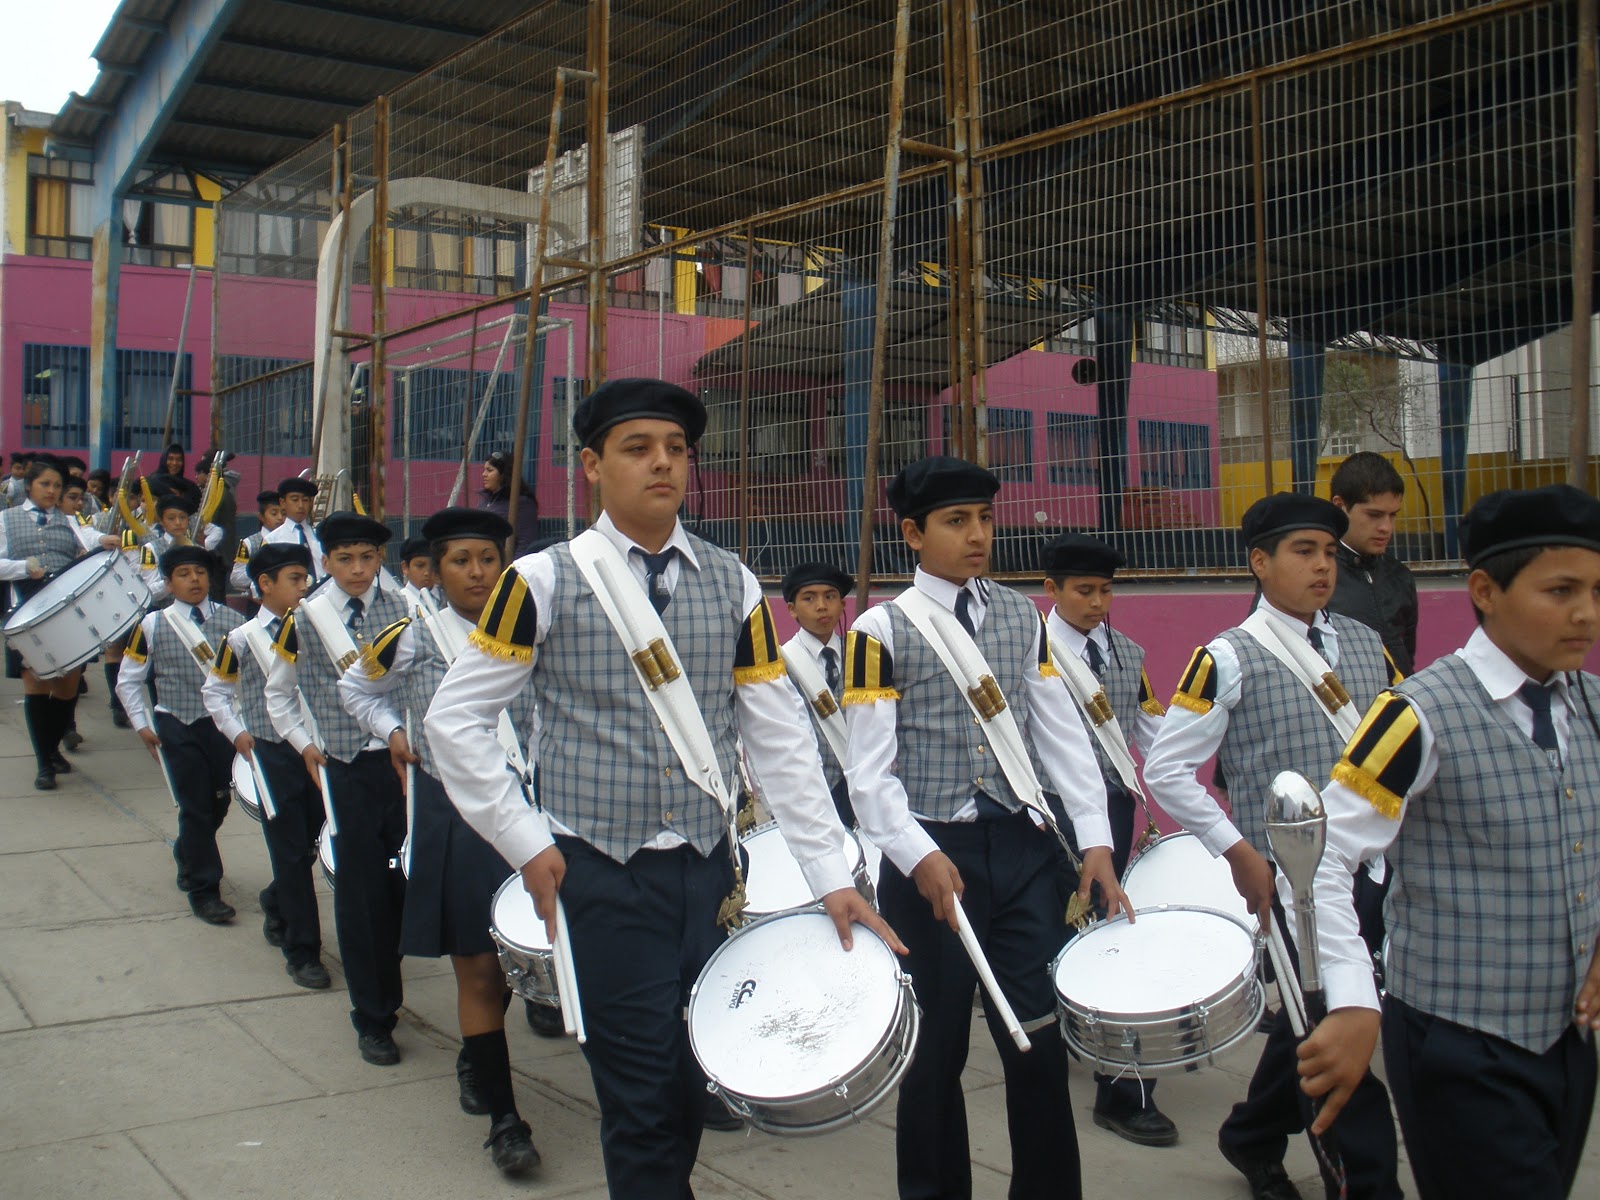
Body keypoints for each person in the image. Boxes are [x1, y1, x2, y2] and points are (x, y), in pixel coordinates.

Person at [427, 378, 893, 1200]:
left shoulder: (733, 581)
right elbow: (454, 724)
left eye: (676, 449)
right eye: (639, 448)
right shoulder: (540, 579)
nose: (663, 464)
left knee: (692, 1077)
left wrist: (830, 875)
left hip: (708, 874)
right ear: (593, 467)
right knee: (640, 1097)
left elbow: (778, 738)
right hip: (601, 871)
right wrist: (526, 841)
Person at [1298, 484, 1600, 1200]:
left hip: (1567, 1038)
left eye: (1595, 589)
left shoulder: (1589, 703)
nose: (1586, 612)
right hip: (1458, 1041)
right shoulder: (1416, 715)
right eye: (1560, 590)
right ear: (1485, 590)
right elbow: (1321, 858)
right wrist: (1351, 1001)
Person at [842, 455, 1125, 1200]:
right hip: (935, 853)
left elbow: (1060, 733)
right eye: (956, 522)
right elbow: (869, 778)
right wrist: (915, 855)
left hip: (1023, 851)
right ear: (912, 532)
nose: (977, 536)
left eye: (986, 519)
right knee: (934, 1055)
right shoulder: (880, 629)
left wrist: (1094, 837)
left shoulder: (1020, 618)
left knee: (1036, 1040)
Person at [1142, 493, 1403, 1200]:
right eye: (1302, 552)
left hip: (1375, 871)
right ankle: (1370, 1181)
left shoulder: (1363, 642)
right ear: (1260, 563)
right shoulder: (1225, 657)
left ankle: (1252, 1133)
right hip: (1295, 882)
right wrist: (1237, 851)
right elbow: (1166, 769)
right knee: (1333, 1026)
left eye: (1327, 551)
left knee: (1315, 1018)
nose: (1321, 566)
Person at [341, 507, 541, 1175]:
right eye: (461, 561)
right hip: (453, 816)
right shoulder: (411, 635)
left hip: (529, 809)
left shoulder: (535, 626)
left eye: (488, 559)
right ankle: (505, 1119)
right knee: (477, 963)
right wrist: (391, 732)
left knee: (517, 954)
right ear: (434, 570)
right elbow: (354, 689)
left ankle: (473, 1054)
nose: (478, 572)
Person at [1039, 531, 1179, 1147]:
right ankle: (1061, 1036)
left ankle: (1122, 1087)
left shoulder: (1126, 652)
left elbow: (1151, 733)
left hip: (1113, 816)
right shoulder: (1029, 649)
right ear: (1052, 590)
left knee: (1110, 940)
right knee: (1052, 939)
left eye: (1105, 590)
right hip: (1050, 816)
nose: (1098, 602)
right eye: (1083, 590)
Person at [264, 512, 410, 1065]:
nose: (357, 569)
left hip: (403, 766)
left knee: (402, 884)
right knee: (361, 894)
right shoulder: (304, 618)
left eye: (367, 558)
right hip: (346, 767)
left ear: (380, 561)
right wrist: (304, 743)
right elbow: (280, 696)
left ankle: (388, 977)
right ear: (324, 562)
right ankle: (373, 1016)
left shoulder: (406, 609)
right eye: (344, 559)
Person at [202, 542, 330, 986]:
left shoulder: (318, 626)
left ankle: (276, 902)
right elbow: (215, 693)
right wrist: (239, 735)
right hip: (273, 753)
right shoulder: (240, 639)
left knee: (315, 844)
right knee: (291, 852)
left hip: (319, 749)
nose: (304, 587)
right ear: (265, 585)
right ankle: (303, 951)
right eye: (294, 579)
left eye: (305, 578)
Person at [117, 545, 247, 923]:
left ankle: (188, 851)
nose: (194, 580)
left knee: (220, 800)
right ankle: (204, 888)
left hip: (223, 726)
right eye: (184, 574)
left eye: (201, 573)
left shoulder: (232, 621)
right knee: (194, 806)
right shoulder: (153, 624)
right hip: (177, 723)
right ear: (169, 582)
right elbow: (129, 680)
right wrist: (142, 724)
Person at [0, 458, 90, 788]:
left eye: (56, 486)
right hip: (26, 614)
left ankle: (51, 750)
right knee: (36, 685)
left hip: (66, 614)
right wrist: (24, 567)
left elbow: (88, 554)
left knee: (67, 686)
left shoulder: (72, 522)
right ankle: (44, 764)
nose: (51, 491)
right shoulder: (5, 520)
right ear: (29, 486)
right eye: (45, 484)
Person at [1329, 452, 1419, 677]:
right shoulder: (1314, 576)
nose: (1386, 528)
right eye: (1374, 515)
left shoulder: (1401, 576)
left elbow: (1407, 657)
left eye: (1392, 515)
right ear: (1340, 506)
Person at [780, 560, 855, 825]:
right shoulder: (781, 663)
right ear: (792, 610)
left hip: (863, 785)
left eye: (830, 596)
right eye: (809, 598)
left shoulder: (861, 655)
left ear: (843, 605)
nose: (822, 606)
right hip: (812, 791)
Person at [478, 450, 539, 557]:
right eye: (484, 470)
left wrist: (513, 570)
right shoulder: (486, 500)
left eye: (489, 470)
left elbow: (525, 542)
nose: (484, 474)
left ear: (503, 474)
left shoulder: (522, 504)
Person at [262, 478, 323, 580]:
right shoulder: (272, 539)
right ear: (282, 503)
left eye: (305, 500)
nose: (300, 505)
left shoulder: (320, 535)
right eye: (295, 500)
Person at [230, 491, 287, 596]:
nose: (280, 518)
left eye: (283, 514)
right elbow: (235, 577)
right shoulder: (248, 543)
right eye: (274, 513)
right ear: (261, 517)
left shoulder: (291, 539)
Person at [397, 535, 436, 606]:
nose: (427, 573)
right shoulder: (398, 602)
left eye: (433, 566)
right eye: (420, 565)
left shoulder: (449, 599)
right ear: (405, 567)